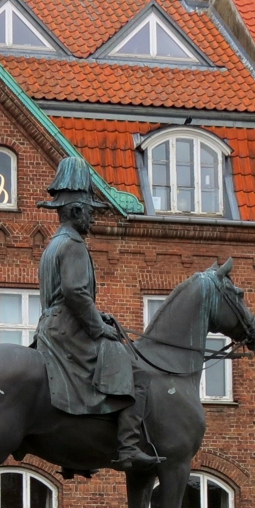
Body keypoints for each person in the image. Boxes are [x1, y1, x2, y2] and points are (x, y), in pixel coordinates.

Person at [33, 156, 158, 471]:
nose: (92, 218)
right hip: (70, 330)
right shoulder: (73, 244)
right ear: (76, 211)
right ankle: (128, 447)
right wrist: (96, 327)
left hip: (51, 326)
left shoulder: (52, 245)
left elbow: (64, 294)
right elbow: (75, 294)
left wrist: (99, 315)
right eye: (89, 212)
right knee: (136, 374)